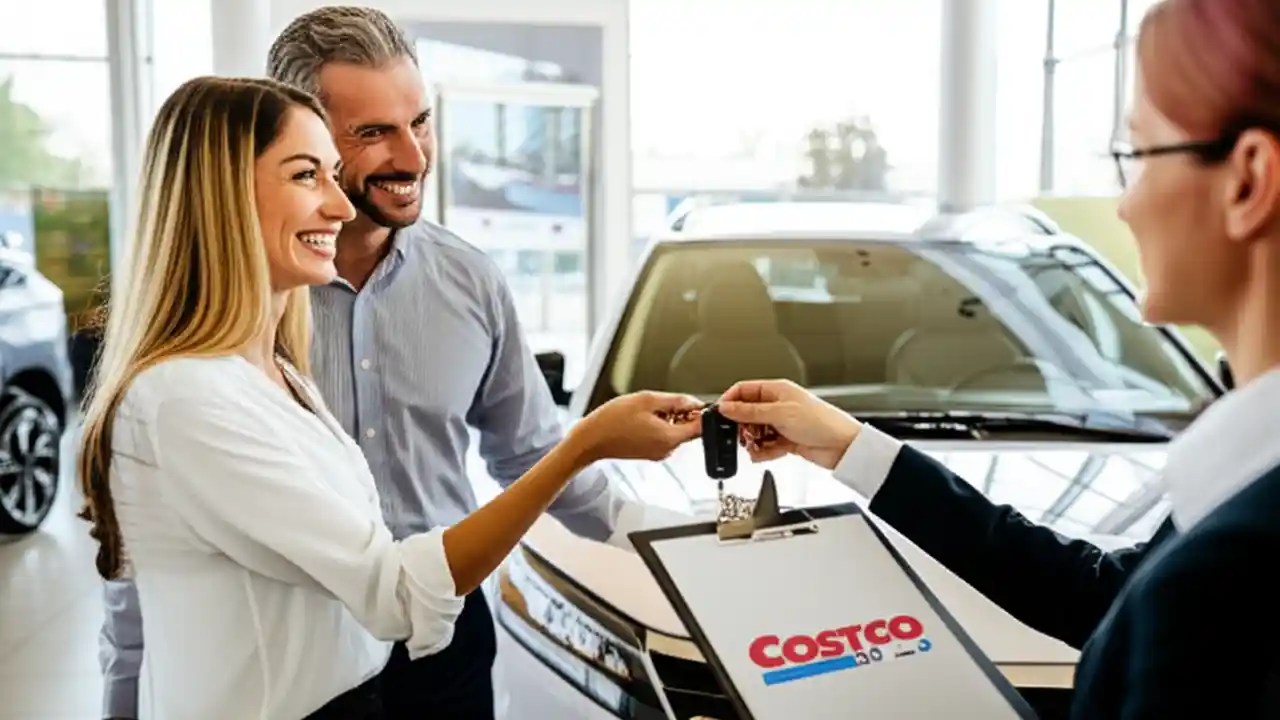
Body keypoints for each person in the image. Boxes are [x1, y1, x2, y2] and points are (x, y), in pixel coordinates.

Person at [97, 7, 694, 719]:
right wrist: (124, 689)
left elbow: (528, 450)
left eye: (420, 122)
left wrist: (680, 543)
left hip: (433, 640)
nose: (412, 158)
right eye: (372, 134)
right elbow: (147, 557)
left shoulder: (461, 283)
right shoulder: (197, 385)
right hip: (338, 642)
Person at [717, 3, 1280, 715]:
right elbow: (1099, 593)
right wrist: (851, 446)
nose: (1124, 208)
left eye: (1136, 155)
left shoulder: (1240, 562)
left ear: (1248, 180)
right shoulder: (1239, 488)